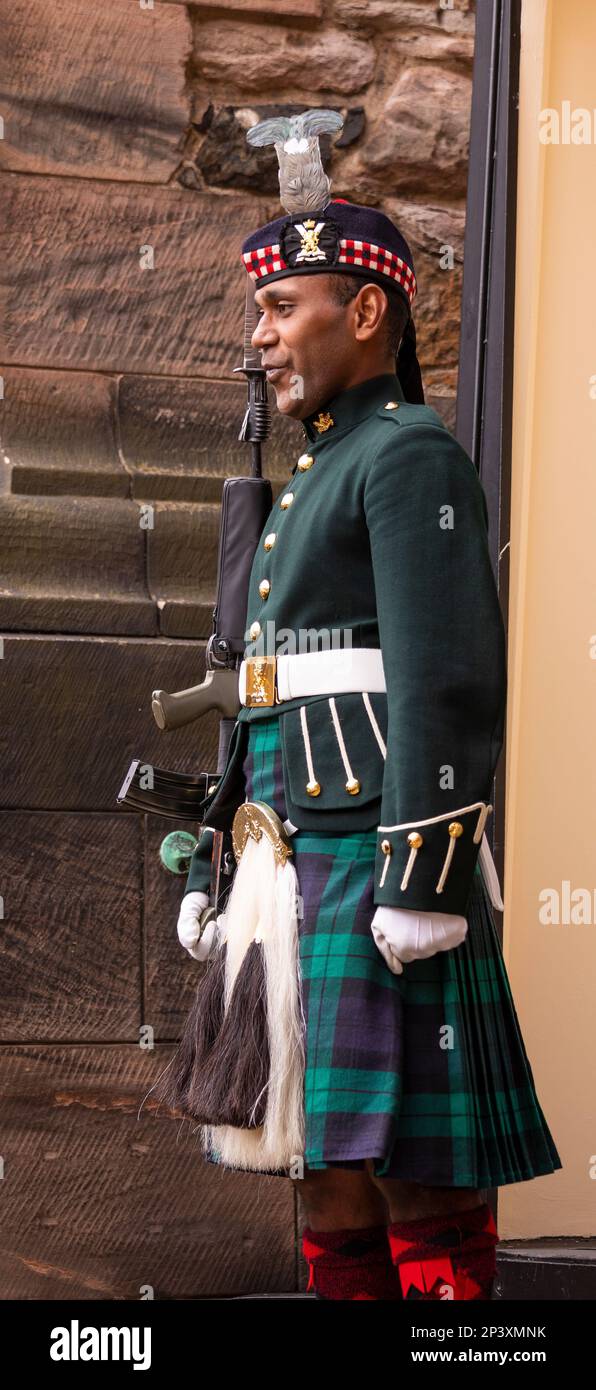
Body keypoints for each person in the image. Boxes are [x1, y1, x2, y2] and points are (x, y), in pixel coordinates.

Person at [174, 116, 563, 1301]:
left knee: (419, 1175)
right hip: (290, 859)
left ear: (366, 314)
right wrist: (211, 862)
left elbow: (443, 673)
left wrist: (423, 877)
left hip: (373, 859)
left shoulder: (406, 457)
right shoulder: (314, 472)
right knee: (320, 1167)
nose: (261, 336)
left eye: (281, 306)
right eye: (261, 311)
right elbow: (263, 680)